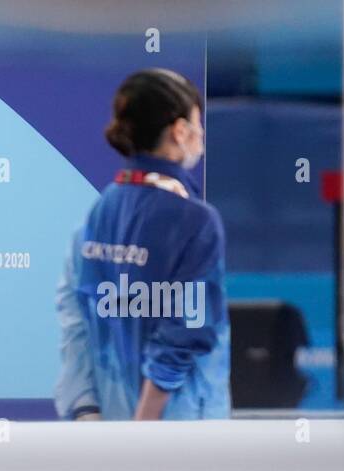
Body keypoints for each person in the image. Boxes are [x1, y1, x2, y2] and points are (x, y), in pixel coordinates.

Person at [55, 69, 229, 421]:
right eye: (197, 123)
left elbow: (75, 322)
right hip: (181, 434)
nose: (202, 135)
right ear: (180, 131)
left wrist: (86, 411)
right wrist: (143, 429)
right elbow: (186, 332)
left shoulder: (95, 216)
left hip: (110, 433)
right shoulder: (196, 221)